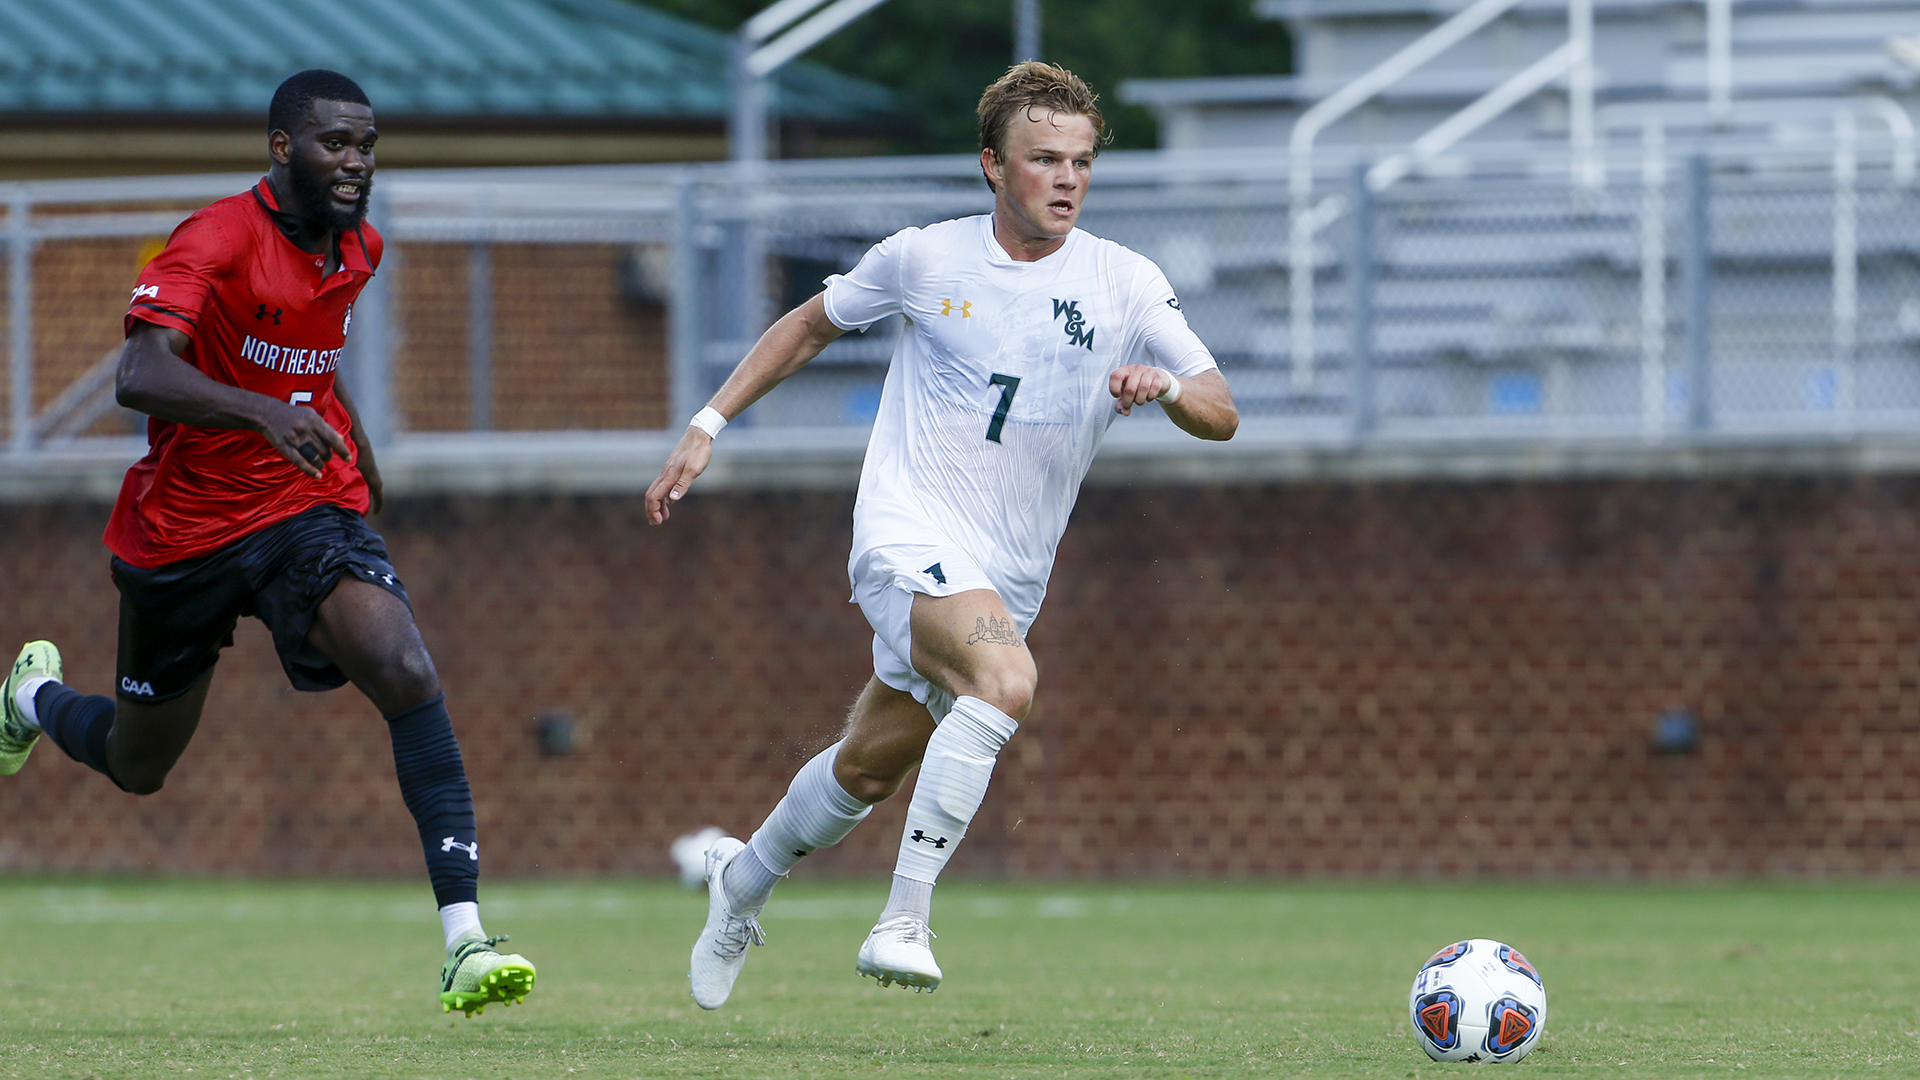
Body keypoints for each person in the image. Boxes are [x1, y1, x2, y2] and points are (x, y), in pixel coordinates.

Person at [646, 62, 1239, 1010]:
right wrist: (707, 426)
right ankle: (905, 918)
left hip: (1009, 572)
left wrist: (1165, 388)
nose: (1066, 179)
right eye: (1044, 159)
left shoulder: (1128, 281)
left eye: (1080, 162)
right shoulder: (925, 258)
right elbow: (807, 327)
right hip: (907, 531)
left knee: (866, 770)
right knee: (1007, 683)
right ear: (993, 167)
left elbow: (1221, 410)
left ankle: (741, 882)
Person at [0, 70, 535, 1017]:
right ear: (283, 148)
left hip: (301, 510)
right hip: (183, 532)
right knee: (139, 764)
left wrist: (356, 449)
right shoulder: (213, 238)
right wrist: (256, 415)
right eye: (336, 144)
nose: (356, 164)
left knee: (404, 666)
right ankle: (32, 699)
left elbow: (310, 367)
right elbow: (138, 372)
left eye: (367, 145)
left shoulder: (359, 247)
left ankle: (465, 938)